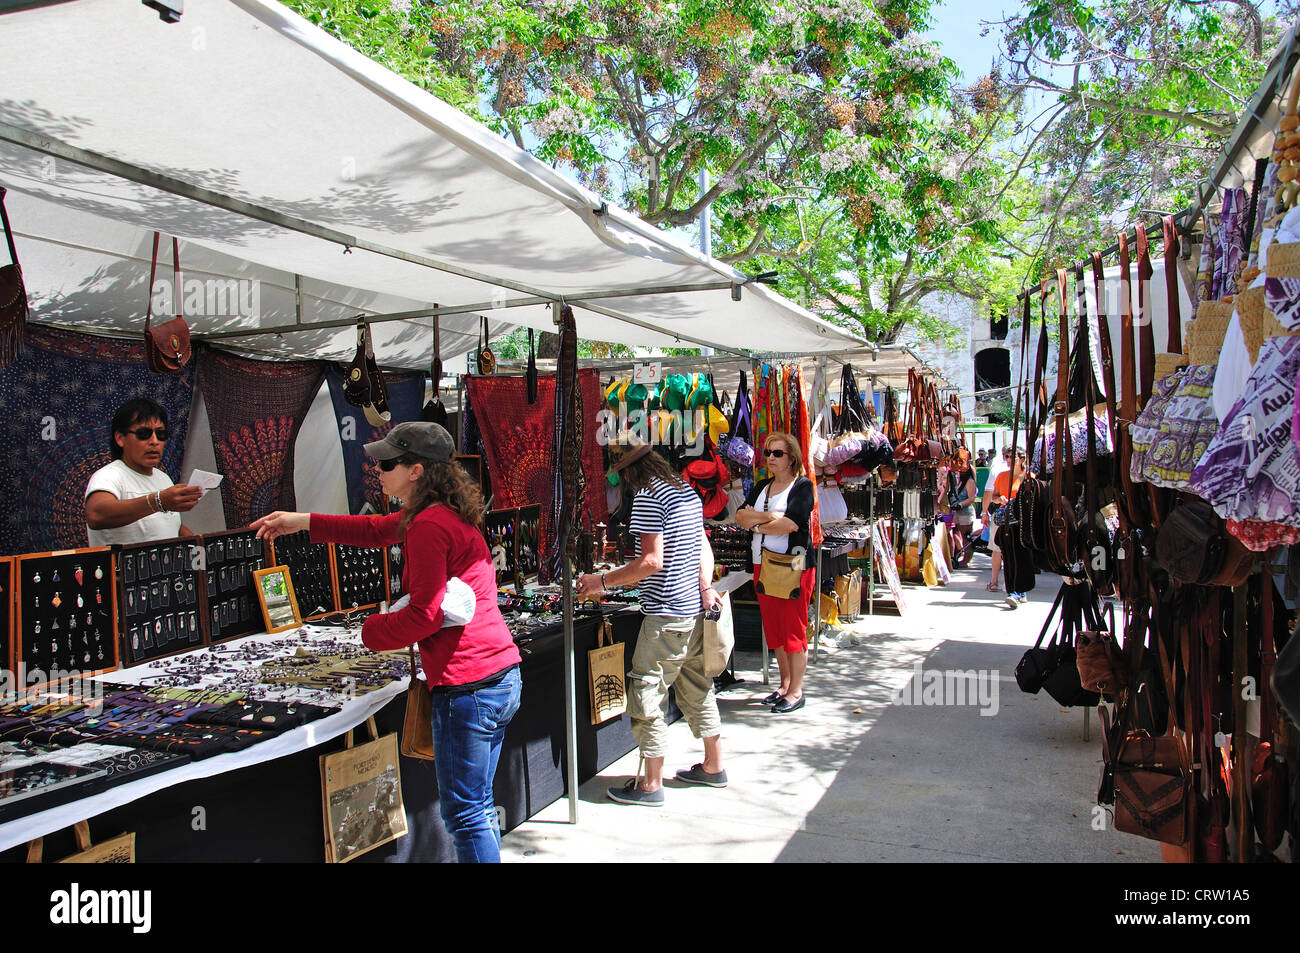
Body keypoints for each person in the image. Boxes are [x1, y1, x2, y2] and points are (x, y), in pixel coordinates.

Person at [252, 421, 521, 863]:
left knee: (466, 815)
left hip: (469, 685)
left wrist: (369, 631)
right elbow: (376, 531)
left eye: (388, 463)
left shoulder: (428, 525)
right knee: (479, 805)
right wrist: (300, 522)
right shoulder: (437, 513)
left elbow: (426, 615)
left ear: (416, 471)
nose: (378, 470)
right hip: (499, 675)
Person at [575, 440, 725, 806]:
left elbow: (651, 562)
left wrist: (602, 582)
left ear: (628, 472)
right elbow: (703, 545)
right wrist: (705, 586)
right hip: (690, 608)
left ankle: (651, 784)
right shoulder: (683, 491)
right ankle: (713, 765)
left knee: (646, 692)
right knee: (696, 685)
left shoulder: (646, 497)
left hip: (666, 613)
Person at [734, 432, 816, 714]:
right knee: (774, 628)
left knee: (793, 627)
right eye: (768, 452)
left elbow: (792, 524)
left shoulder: (802, 486)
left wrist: (757, 522)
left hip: (793, 564)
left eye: (777, 453)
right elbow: (740, 517)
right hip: (761, 563)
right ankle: (784, 685)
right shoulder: (761, 487)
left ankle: (796, 690)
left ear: (791, 457)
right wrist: (767, 520)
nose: (770, 457)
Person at [85, 397, 202, 545]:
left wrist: (200, 548)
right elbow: (96, 515)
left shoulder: (163, 478)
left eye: (160, 434)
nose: (154, 441)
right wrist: (159, 502)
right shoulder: (109, 476)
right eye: (143, 434)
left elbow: (171, 527)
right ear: (120, 438)